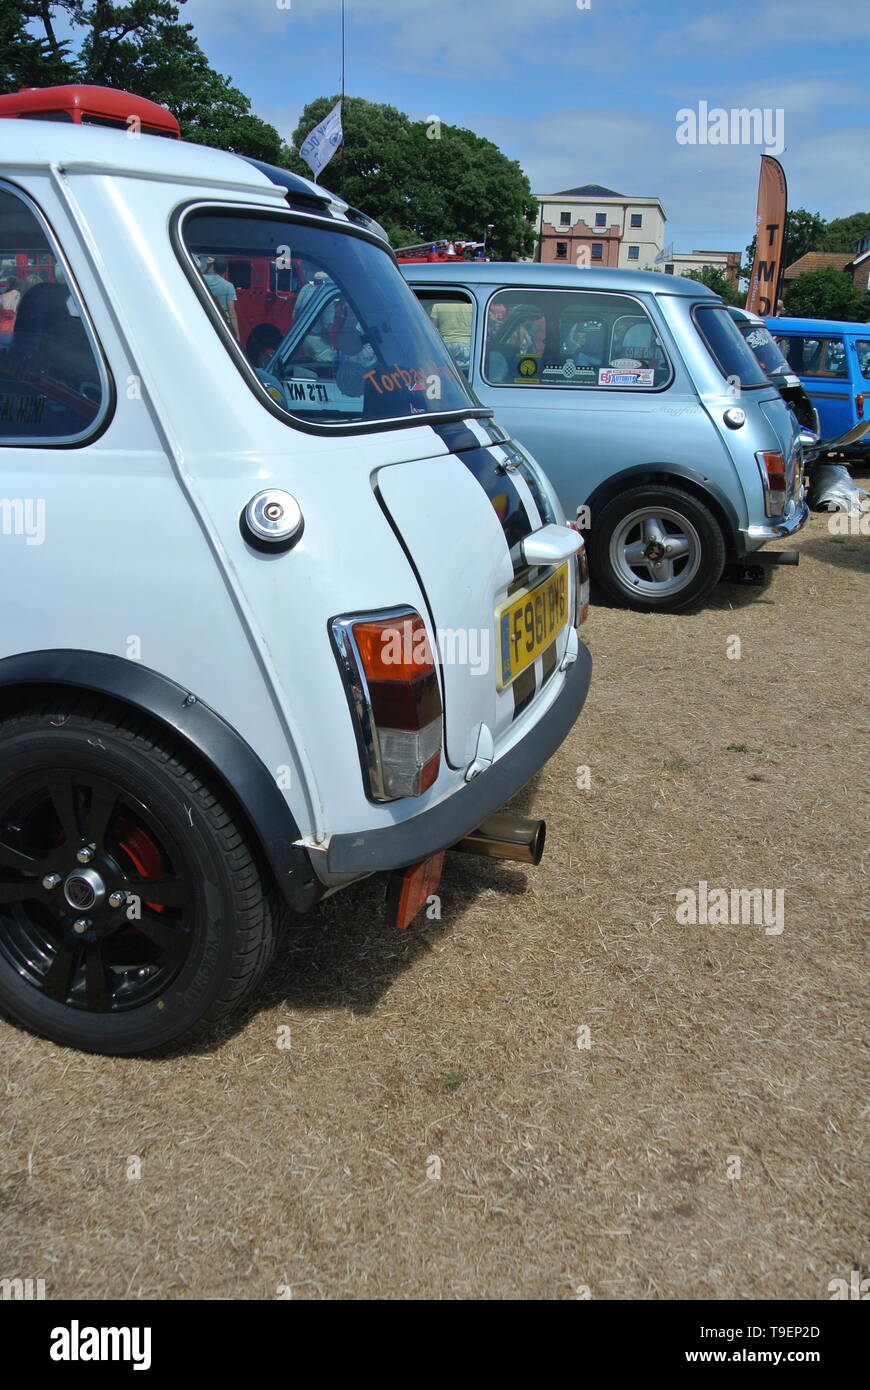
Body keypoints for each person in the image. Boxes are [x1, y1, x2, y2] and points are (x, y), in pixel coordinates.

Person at [201, 256, 240, 342]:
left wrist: (207, 266)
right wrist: (237, 335)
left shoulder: (204, 279)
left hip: (207, 318)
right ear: (226, 270)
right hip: (223, 322)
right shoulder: (229, 286)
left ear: (213, 267)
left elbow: (195, 277)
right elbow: (232, 311)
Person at [0, 275, 22, 345]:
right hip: (16, 326)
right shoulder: (20, 295)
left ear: (8, 284)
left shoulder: (2, 297)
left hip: (2, 327)